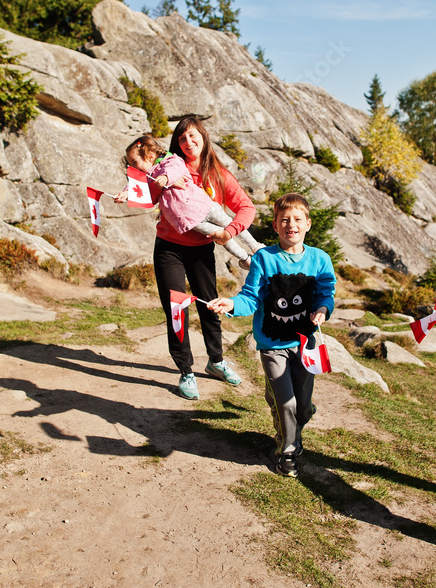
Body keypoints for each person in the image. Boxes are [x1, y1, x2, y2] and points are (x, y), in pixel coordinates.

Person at [208, 193, 336, 478]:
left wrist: (323, 309)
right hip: (272, 344)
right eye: (284, 220)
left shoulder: (320, 259)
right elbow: (250, 298)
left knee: (303, 408)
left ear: (308, 225)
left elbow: (327, 292)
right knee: (286, 404)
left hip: (306, 344)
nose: (291, 224)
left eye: (297, 220)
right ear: (276, 226)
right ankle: (286, 453)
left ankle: (292, 419)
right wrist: (231, 305)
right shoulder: (264, 258)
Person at [140, 116, 255, 400]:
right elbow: (145, 195)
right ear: (175, 144)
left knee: (210, 304)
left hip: (202, 248)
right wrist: (130, 191)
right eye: (181, 138)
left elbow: (246, 208)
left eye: (192, 136)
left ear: (203, 137)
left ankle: (216, 362)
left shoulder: (218, 174)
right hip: (169, 248)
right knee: (176, 309)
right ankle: (186, 371)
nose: (188, 143)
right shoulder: (167, 167)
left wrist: (230, 231)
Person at [113, 135, 264, 270]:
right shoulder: (147, 177)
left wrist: (166, 178)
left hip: (205, 206)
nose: (133, 167)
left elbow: (175, 169)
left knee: (228, 224)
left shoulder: (170, 160)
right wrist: (125, 193)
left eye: (135, 162)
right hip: (191, 221)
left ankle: (255, 246)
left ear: (150, 155)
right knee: (221, 237)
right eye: (130, 164)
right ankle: (245, 259)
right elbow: (136, 186)